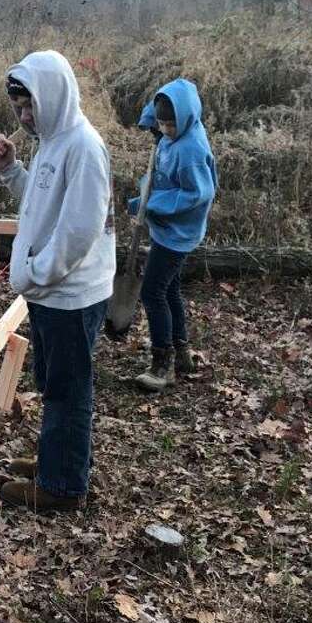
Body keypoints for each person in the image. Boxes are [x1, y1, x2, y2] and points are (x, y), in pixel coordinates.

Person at [0, 50, 116, 512]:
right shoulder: (52, 141)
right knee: (54, 382)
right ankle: (56, 460)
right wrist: (11, 172)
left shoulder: (82, 146)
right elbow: (41, 207)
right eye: (19, 107)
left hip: (71, 295)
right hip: (49, 292)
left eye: (30, 106)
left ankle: (62, 487)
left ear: (54, 95)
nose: (24, 115)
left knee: (67, 389)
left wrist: (37, 273)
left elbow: (79, 230)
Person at [126, 78, 217, 393]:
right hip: (165, 227)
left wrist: (150, 205)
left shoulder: (191, 150)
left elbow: (197, 194)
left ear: (186, 117)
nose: (164, 130)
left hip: (178, 233)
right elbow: (160, 173)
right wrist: (143, 204)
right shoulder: (170, 135)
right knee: (171, 290)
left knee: (152, 292)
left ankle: (162, 363)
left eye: (169, 125)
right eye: (160, 123)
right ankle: (182, 353)